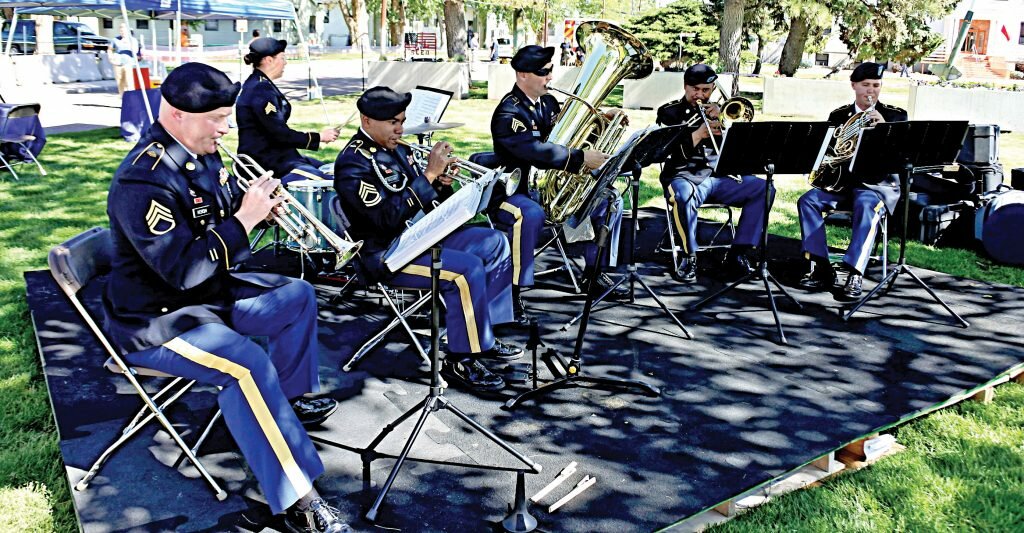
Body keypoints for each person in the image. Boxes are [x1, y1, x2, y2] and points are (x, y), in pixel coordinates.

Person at [103, 63, 350, 533]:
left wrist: (255, 206)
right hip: (156, 320)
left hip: (204, 299)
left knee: (296, 295)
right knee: (245, 364)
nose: (225, 127)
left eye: (226, 116)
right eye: (216, 118)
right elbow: (182, 270)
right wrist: (244, 221)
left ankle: (286, 404)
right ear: (175, 115)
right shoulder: (145, 179)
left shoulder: (200, 152)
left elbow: (216, 220)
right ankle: (298, 500)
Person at [334, 86, 523, 392]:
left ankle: (483, 335)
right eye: (393, 122)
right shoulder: (353, 163)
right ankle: (461, 359)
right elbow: (383, 220)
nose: (400, 128)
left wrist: (443, 183)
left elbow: (425, 203)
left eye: (402, 120)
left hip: (418, 237)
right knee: (465, 270)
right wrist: (428, 177)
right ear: (367, 121)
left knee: (495, 243)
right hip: (386, 254)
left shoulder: (399, 149)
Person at [490, 44, 628, 303]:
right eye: (543, 72)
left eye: (550, 70)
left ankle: (594, 272)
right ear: (522, 75)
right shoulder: (509, 112)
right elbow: (535, 152)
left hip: (549, 188)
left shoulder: (548, 102)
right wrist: (580, 158)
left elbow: (569, 131)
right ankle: (511, 292)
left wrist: (603, 118)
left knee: (610, 200)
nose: (550, 77)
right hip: (515, 191)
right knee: (529, 214)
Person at [798, 61, 908, 298]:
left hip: (875, 185)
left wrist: (884, 130)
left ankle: (855, 272)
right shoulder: (839, 115)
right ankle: (822, 267)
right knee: (807, 201)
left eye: (876, 85)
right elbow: (828, 152)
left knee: (867, 205)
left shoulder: (895, 116)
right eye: (866, 85)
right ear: (853, 86)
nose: (871, 91)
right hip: (841, 184)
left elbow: (900, 157)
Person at [655, 64, 773, 283]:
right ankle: (688, 256)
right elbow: (665, 153)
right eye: (695, 89)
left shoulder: (718, 111)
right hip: (684, 177)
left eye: (706, 90)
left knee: (763, 188)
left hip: (719, 177)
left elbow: (740, 148)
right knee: (683, 195)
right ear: (685, 86)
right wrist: (698, 134)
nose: (700, 95)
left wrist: (726, 124)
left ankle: (739, 252)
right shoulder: (668, 112)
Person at [236, 37, 338, 185]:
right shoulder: (260, 89)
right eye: (283, 58)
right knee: (331, 182)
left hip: (278, 157)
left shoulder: (259, 84)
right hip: (268, 163)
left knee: (334, 169)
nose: (285, 62)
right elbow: (280, 134)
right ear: (268, 60)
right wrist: (319, 137)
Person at [108, 24, 140, 95]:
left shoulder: (133, 40)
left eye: (124, 31)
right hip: (117, 64)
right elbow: (110, 49)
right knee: (120, 82)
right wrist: (110, 58)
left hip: (128, 64)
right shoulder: (115, 40)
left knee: (129, 83)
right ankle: (122, 99)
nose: (122, 32)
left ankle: (131, 99)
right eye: (121, 31)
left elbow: (136, 51)